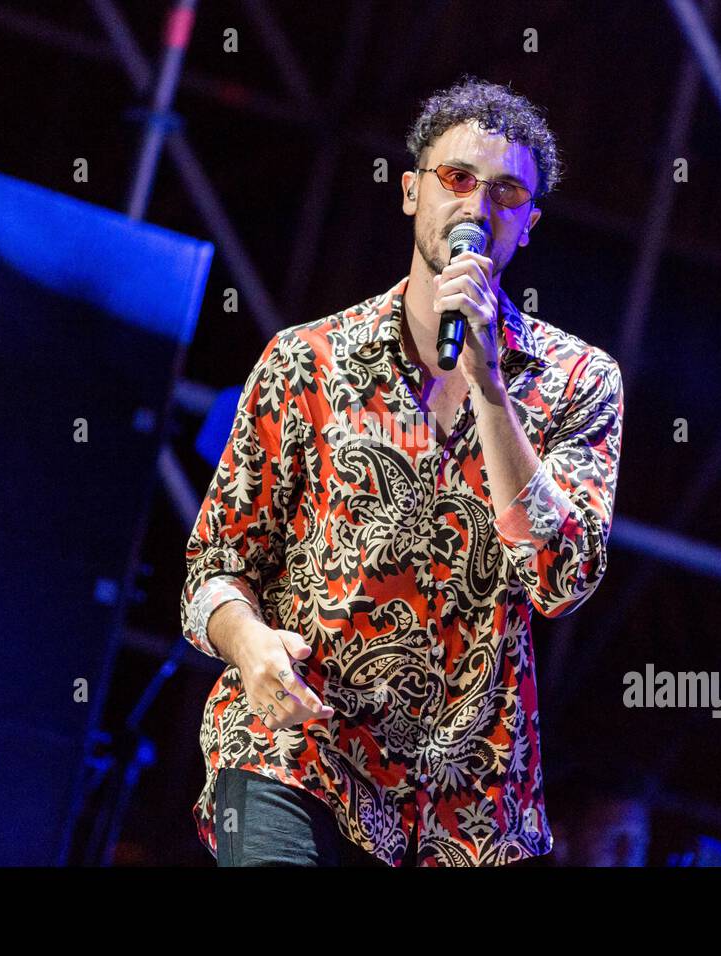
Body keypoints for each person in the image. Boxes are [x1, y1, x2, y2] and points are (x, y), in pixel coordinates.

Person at [180, 76, 624, 866]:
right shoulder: (304, 362)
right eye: (457, 178)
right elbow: (215, 567)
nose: (478, 206)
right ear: (412, 191)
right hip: (299, 751)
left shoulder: (578, 382)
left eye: (507, 193)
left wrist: (491, 385)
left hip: (467, 810)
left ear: (528, 225)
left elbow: (562, 580)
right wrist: (247, 642)